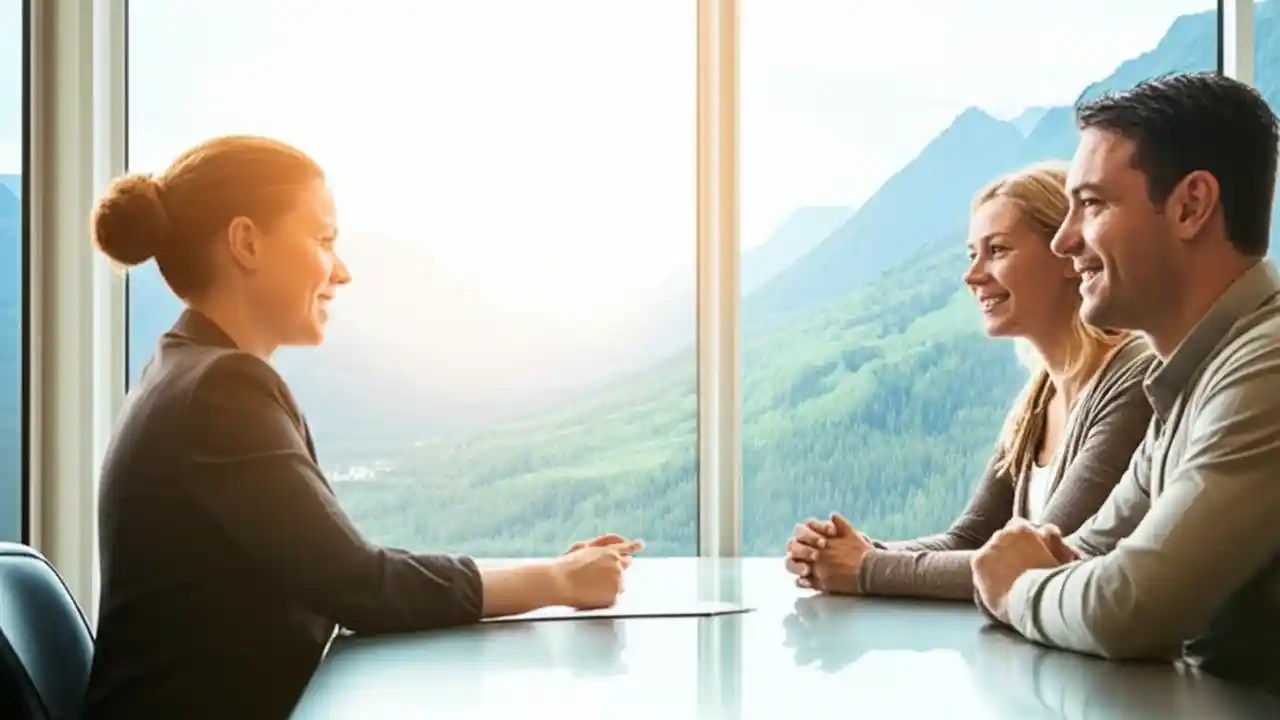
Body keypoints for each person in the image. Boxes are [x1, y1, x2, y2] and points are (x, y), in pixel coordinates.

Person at [83, 135, 642, 718]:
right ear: (246, 242)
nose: (342, 272)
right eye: (324, 240)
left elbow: (345, 565)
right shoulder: (220, 393)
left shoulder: (186, 369)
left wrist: (549, 573)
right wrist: (556, 582)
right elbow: (361, 586)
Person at [970, 72, 1280, 694]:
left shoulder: (1265, 367)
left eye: (1092, 204)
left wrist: (1015, 589)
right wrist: (1036, 576)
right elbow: (1079, 555)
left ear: (1191, 205)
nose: (1065, 240)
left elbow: (1129, 605)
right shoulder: (1188, 381)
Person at [783, 163, 1155, 600]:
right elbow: (969, 539)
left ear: (1068, 254)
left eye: (997, 250)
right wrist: (848, 553)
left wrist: (866, 567)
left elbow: (1042, 561)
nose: (972, 274)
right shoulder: (1036, 402)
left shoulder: (1133, 381)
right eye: (971, 254)